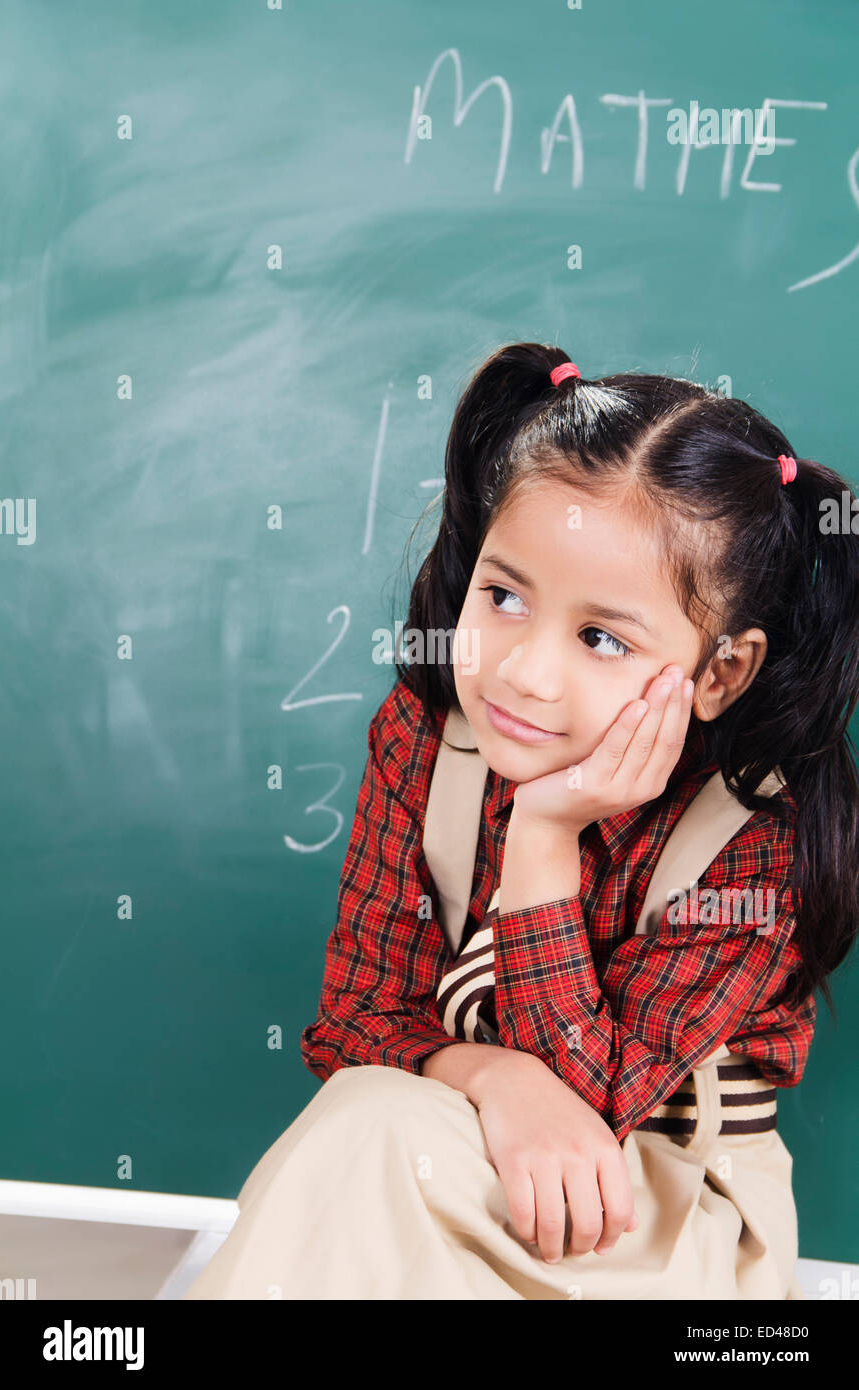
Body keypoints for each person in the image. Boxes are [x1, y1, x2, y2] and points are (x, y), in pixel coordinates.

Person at [183, 342, 859, 1300]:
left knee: (375, 1130)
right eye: (503, 596)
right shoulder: (427, 744)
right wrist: (492, 1078)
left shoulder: (756, 846)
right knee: (369, 1119)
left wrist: (544, 841)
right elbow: (354, 1021)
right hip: (458, 1166)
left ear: (720, 673)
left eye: (599, 638)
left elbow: (587, 1118)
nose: (525, 674)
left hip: (661, 1222)